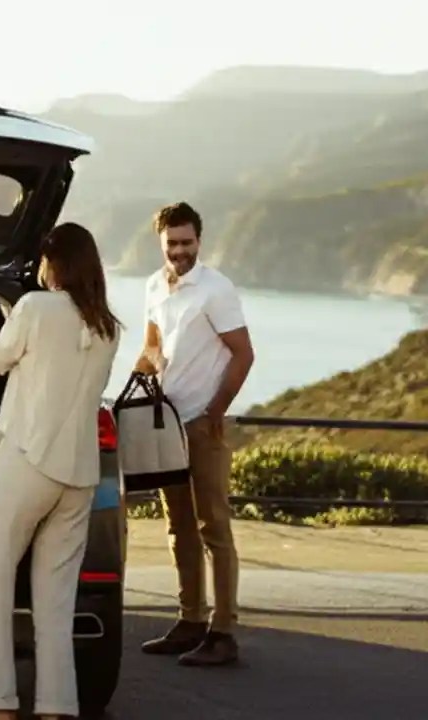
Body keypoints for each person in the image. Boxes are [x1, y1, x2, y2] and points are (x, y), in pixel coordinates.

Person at [0, 222, 122, 720]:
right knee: (55, 604)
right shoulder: (107, 326)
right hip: (79, 476)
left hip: (28, 461)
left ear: (56, 262)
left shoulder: (34, 307)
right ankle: (56, 708)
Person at [135, 201, 254, 667]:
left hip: (202, 424)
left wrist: (216, 411)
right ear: (160, 243)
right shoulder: (152, 286)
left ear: (198, 242)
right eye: (172, 244)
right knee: (177, 526)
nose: (180, 251)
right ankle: (189, 622)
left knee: (214, 528)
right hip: (165, 422)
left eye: (187, 243)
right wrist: (132, 391)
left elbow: (243, 354)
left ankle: (223, 632)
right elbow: (151, 346)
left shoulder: (216, 289)